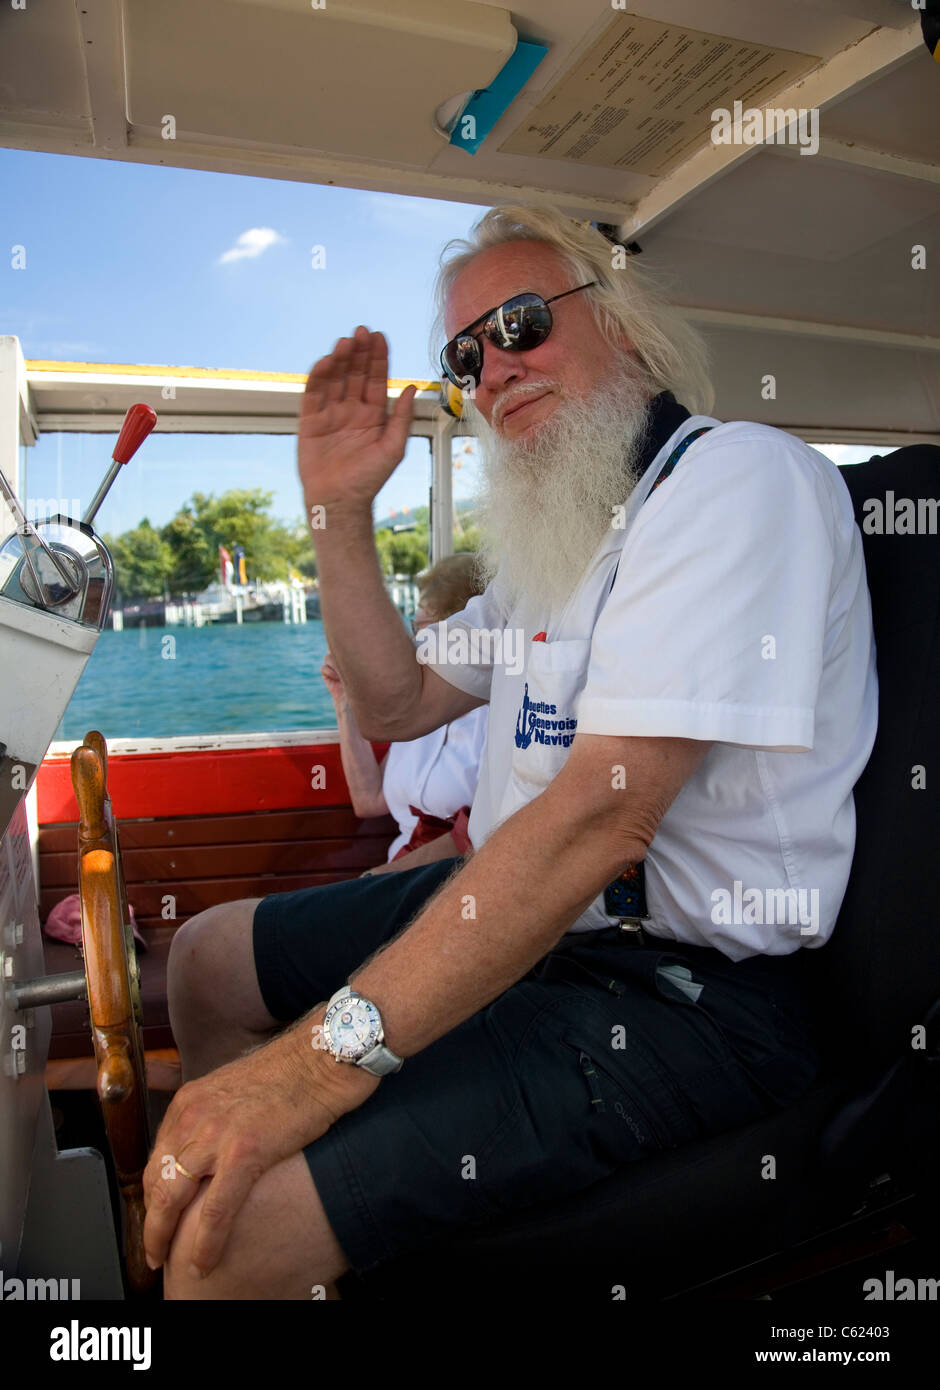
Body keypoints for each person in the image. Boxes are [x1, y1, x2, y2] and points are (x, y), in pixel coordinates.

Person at [146, 205, 877, 1299]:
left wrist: (308, 1073)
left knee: (226, 1242)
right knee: (203, 958)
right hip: (530, 920)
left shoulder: (735, 483)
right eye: (464, 355)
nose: (494, 369)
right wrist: (339, 514)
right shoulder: (561, 543)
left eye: (522, 324)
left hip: (686, 993)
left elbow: (603, 814)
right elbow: (394, 703)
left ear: (620, 322)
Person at [322, 553, 487, 873]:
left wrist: (378, 883)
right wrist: (345, 702)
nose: (413, 639)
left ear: (460, 631)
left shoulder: (498, 714)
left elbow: (484, 836)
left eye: (422, 627)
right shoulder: (416, 712)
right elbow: (369, 800)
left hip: (456, 879)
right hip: (400, 874)